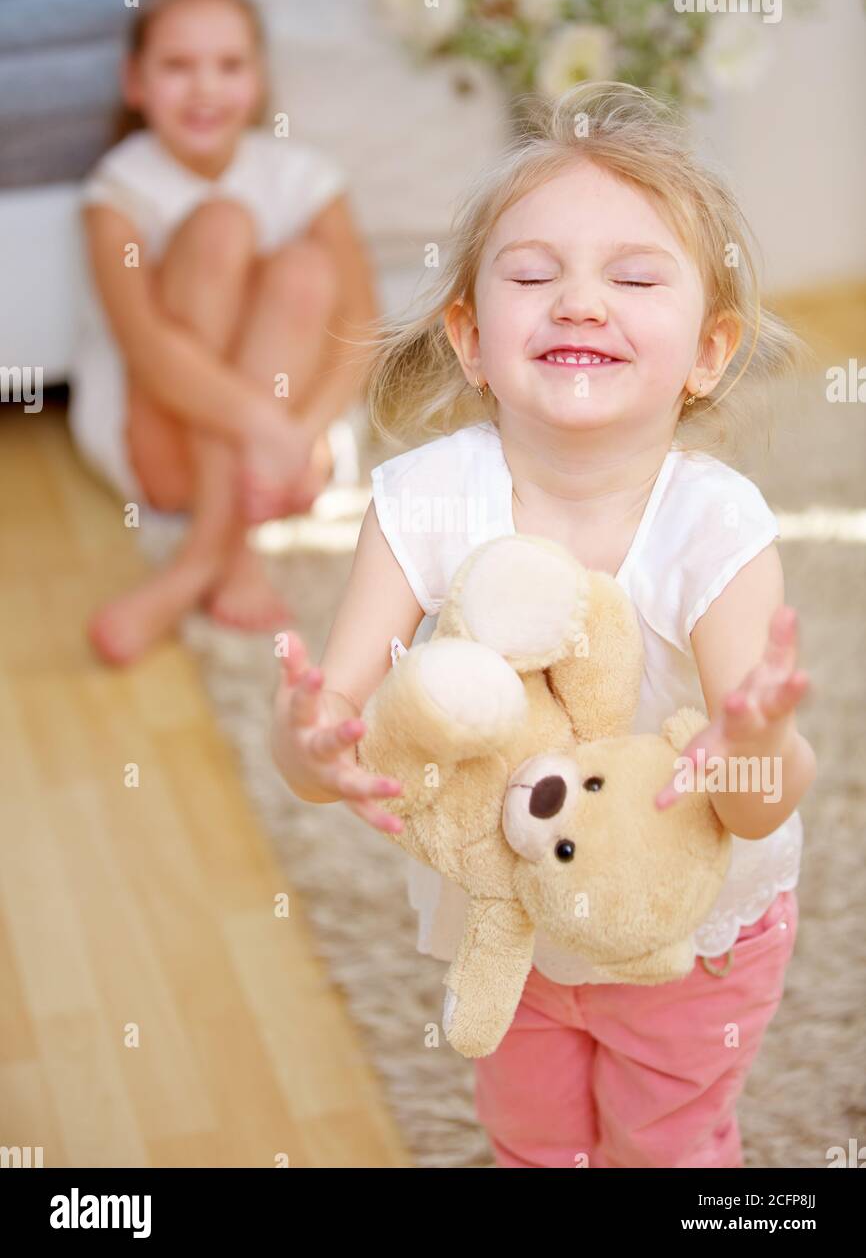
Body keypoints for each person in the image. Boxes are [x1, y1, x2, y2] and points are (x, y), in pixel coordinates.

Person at [270, 80, 817, 1167]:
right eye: (531, 275)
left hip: (687, 942)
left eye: (630, 276)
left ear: (708, 351)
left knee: (666, 1145)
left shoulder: (713, 526)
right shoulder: (421, 499)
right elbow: (326, 728)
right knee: (527, 1140)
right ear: (470, 338)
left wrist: (750, 750)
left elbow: (757, 810)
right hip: (505, 922)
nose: (576, 301)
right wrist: (311, 745)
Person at [72, 0, 379, 663]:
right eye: (178, 66)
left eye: (229, 65)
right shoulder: (117, 192)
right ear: (135, 81)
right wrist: (269, 428)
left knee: (306, 270)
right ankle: (221, 550)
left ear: (259, 78)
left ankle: (205, 554)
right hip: (166, 453)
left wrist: (300, 434)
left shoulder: (305, 175)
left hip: (288, 467)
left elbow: (362, 327)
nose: (205, 88)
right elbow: (150, 351)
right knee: (220, 228)